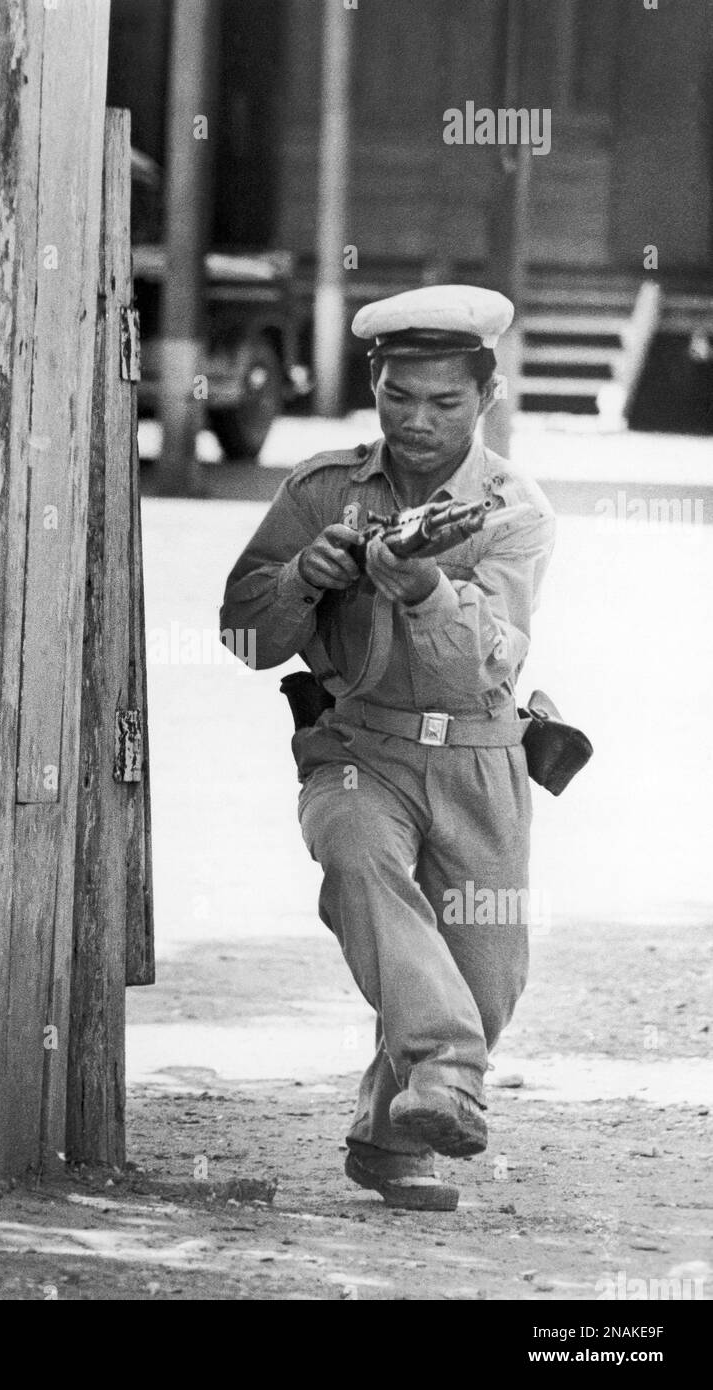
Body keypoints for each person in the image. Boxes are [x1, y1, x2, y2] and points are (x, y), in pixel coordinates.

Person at [219, 286, 557, 1210]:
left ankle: (388, 1138)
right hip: (355, 749)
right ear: (372, 383)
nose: (417, 420)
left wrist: (423, 592)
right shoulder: (322, 489)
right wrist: (303, 576)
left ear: (486, 396)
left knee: (485, 981)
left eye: (445, 402)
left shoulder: (514, 512)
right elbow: (244, 637)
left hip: (480, 755)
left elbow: (486, 662)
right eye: (397, 396)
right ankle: (448, 1073)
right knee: (360, 858)